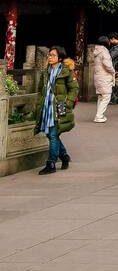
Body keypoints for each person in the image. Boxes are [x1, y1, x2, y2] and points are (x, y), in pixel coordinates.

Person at [36, 46, 77, 175]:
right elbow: (40, 89)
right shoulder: (45, 71)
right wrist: (39, 103)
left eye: (53, 55)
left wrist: (68, 103)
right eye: (49, 55)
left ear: (59, 58)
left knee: (53, 134)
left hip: (58, 106)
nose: (49, 57)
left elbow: (74, 89)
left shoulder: (66, 71)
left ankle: (51, 163)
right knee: (49, 134)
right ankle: (64, 156)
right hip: (46, 106)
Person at [92, 36, 115, 123]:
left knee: (101, 97)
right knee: (106, 96)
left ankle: (98, 115)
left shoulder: (97, 51)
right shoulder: (104, 51)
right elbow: (107, 65)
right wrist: (113, 71)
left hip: (98, 76)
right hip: (104, 77)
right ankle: (99, 116)